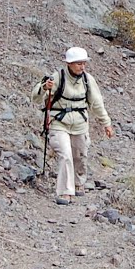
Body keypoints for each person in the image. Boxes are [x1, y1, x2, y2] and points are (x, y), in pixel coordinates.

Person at [33, 46, 114, 205]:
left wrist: (107, 123)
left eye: (83, 63)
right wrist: (44, 88)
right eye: (78, 63)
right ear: (69, 63)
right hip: (59, 123)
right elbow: (36, 98)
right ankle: (64, 191)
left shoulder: (87, 80)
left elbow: (96, 104)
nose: (82, 67)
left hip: (80, 124)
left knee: (80, 154)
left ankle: (78, 182)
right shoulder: (56, 78)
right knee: (65, 154)